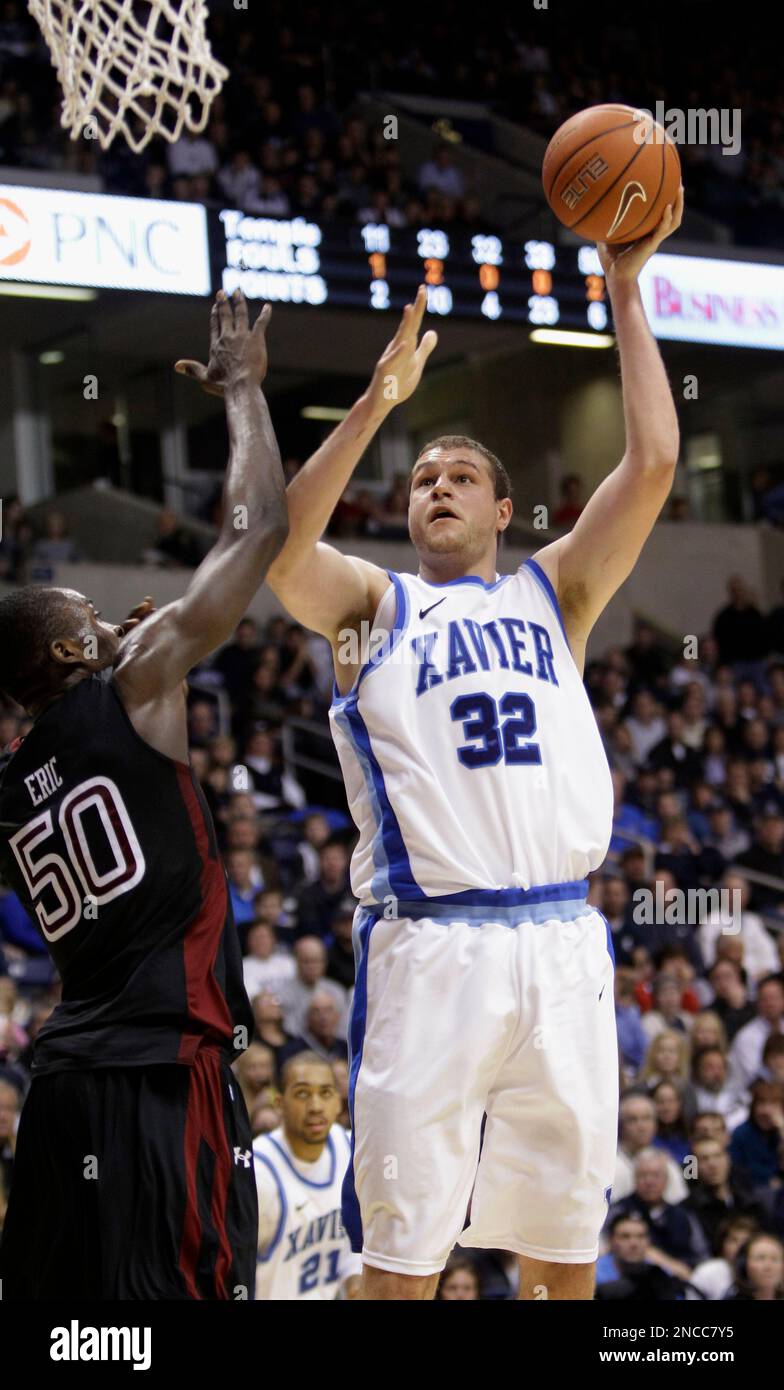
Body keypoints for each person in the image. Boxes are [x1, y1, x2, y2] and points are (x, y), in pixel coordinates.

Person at [264, 190, 685, 1301]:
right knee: (401, 1264)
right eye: (420, 478)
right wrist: (370, 406)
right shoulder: (371, 604)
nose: (436, 485)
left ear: (505, 510)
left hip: (559, 942)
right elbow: (275, 546)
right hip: (431, 950)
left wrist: (625, 290)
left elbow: (648, 465)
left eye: (459, 476)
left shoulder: (557, 594)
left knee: (559, 1260)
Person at [0, 289, 288, 1300]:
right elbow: (257, 533)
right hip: (164, 1077)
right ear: (76, 648)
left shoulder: (9, 793)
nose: (115, 614)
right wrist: (245, 388)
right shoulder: (136, 685)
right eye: (89, 611)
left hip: (62, 1091)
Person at [253, 1052, 361, 1299]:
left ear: (338, 1102)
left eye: (325, 1093)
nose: (315, 1107)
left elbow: (355, 1248)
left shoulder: (349, 1150)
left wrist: (355, 1283)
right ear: (279, 1103)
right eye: (302, 1094)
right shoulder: (258, 1172)